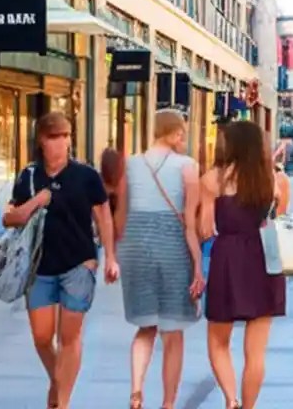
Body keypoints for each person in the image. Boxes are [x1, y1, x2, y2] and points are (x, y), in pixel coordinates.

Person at [4, 112, 118, 409]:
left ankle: (62, 402)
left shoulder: (85, 175)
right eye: (55, 137)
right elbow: (11, 217)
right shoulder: (29, 176)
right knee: (42, 337)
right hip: (39, 267)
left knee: (71, 336)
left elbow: (103, 214)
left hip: (78, 263)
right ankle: (59, 379)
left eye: (66, 136)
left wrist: (109, 257)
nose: (62, 142)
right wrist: (37, 201)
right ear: (42, 140)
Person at [116, 110, 206, 409]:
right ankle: (168, 404)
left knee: (145, 327)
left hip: (136, 245)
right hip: (171, 246)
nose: (185, 138)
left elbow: (121, 213)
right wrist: (197, 268)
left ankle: (136, 389)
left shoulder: (129, 163)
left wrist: (116, 253)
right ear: (176, 133)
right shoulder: (188, 167)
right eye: (183, 132)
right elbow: (190, 225)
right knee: (173, 332)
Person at [201, 121, 286, 409]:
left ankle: (231, 398)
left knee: (217, 339)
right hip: (264, 259)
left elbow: (204, 228)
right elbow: (279, 216)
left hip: (228, 258)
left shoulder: (214, 179)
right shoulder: (272, 179)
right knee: (256, 353)